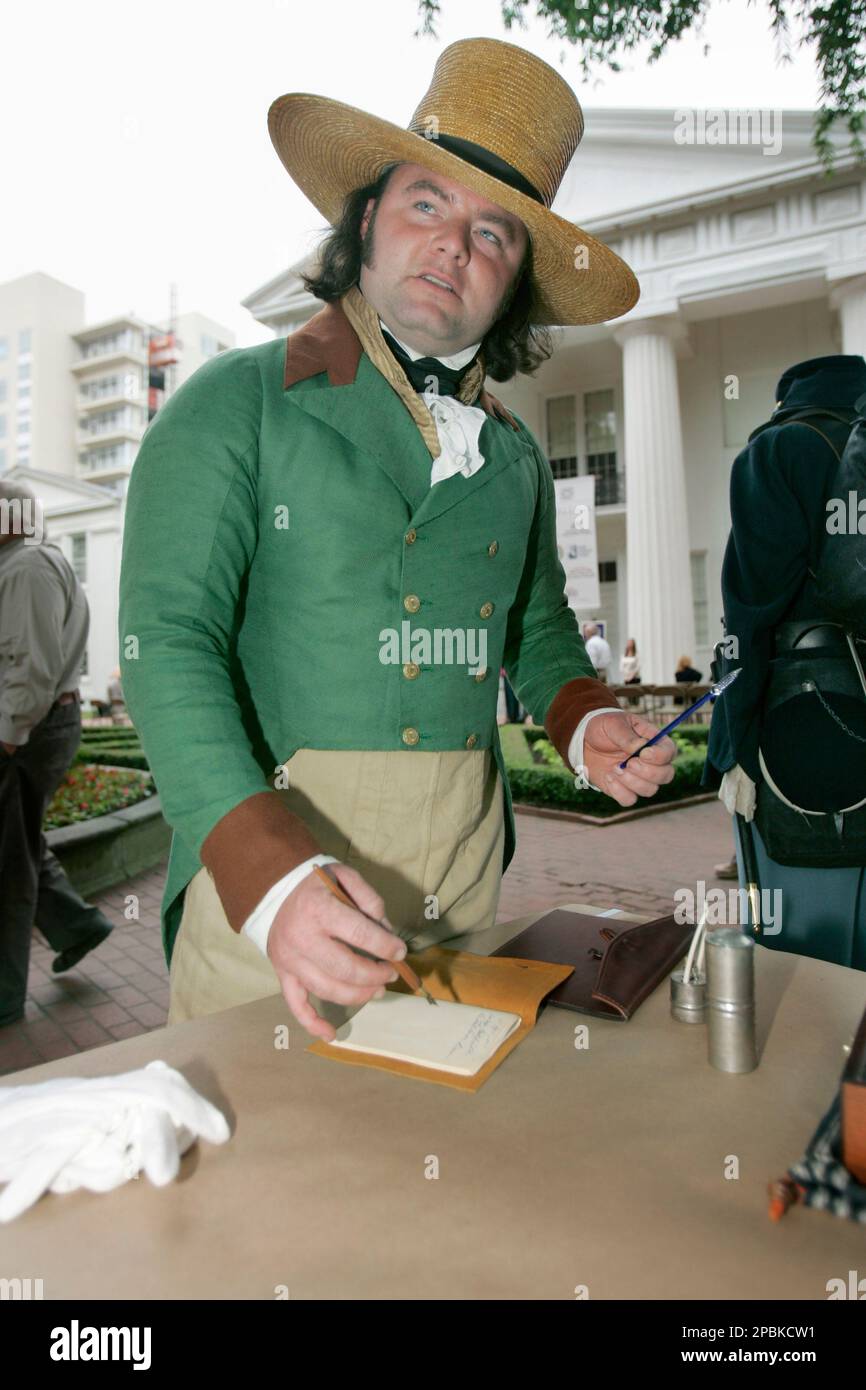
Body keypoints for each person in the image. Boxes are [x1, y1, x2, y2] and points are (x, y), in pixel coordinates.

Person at [118, 37, 677, 1039]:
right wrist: (270, 875)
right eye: (428, 203)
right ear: (367, 217)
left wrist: (584, 722)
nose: (455, 245)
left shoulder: (509, 456)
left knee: (435, 1174)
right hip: (273, 899)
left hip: (461, 896)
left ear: (513, 284)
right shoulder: (231, 403)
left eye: (494, 233)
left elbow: (539, 632)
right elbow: (165, 640)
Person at [703, 354, 866, 967]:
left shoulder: (780, 449)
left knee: (806, 965)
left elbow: (750, 615)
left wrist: (734, 745)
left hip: (804, 735)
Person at [0, 480, 114, 1027]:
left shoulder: (25, 568)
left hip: (31, 729)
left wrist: (7, 733)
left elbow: (31, 667)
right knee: (15, 840)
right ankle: (79, 927)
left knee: (6, 866)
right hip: (38, 724)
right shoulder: (24, 563)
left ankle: (3, 998)